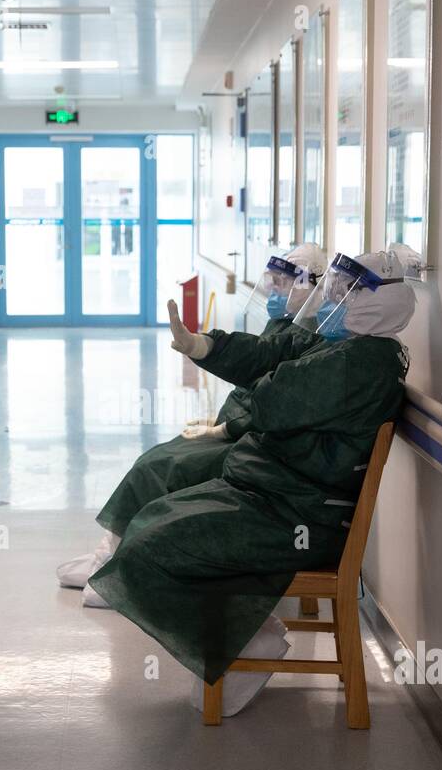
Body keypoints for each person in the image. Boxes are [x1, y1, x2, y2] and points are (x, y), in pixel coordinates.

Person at [88, 251, 415, 716]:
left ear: (376, 305)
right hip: (273, 496)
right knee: (150, 523)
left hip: (298, 517)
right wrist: (205, 346)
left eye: (344, 292)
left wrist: (253, 380)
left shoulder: (359, 364)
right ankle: (248, 633)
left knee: (154, 550)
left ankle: (247, 643)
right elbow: (270, 357)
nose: (332, 299)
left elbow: (268, 400)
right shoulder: (345, 349)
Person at [56, 243, 329, 605]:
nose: (274, 290)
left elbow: (279, 405)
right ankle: (110, 555)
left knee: (165, 466)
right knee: (157, 457)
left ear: (312, 284)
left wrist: (225, 429)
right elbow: (255, 377)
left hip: (255, 445)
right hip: (243, 431)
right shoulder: (284, 324)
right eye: (274, 281)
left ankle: (119, 568)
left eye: (283, 282)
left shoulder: (316, 339)